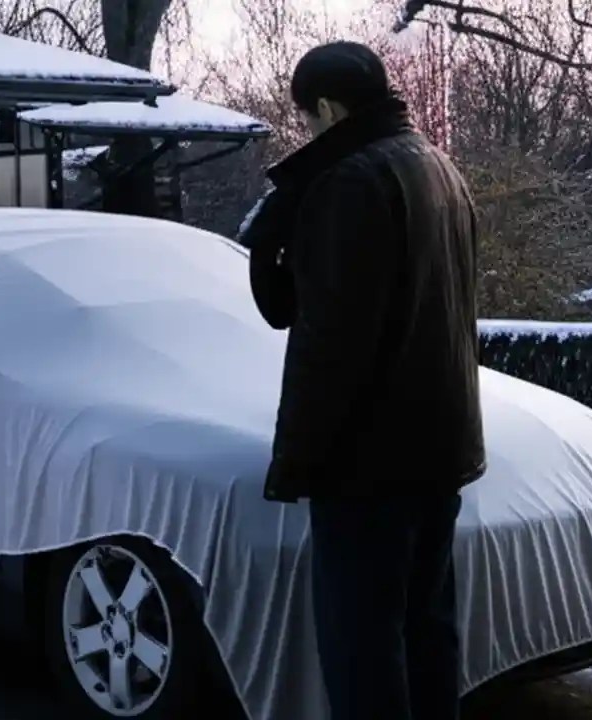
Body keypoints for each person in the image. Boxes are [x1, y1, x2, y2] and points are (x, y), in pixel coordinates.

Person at [242, 41, 487, 720]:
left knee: (361, 647)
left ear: (325, 107)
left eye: (309, 119)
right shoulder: (437, 166)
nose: (310, 133)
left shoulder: (350, 181)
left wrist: (297, 462)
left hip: (367, 465)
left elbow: (331, 343)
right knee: (426, 631)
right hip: (439, 451)